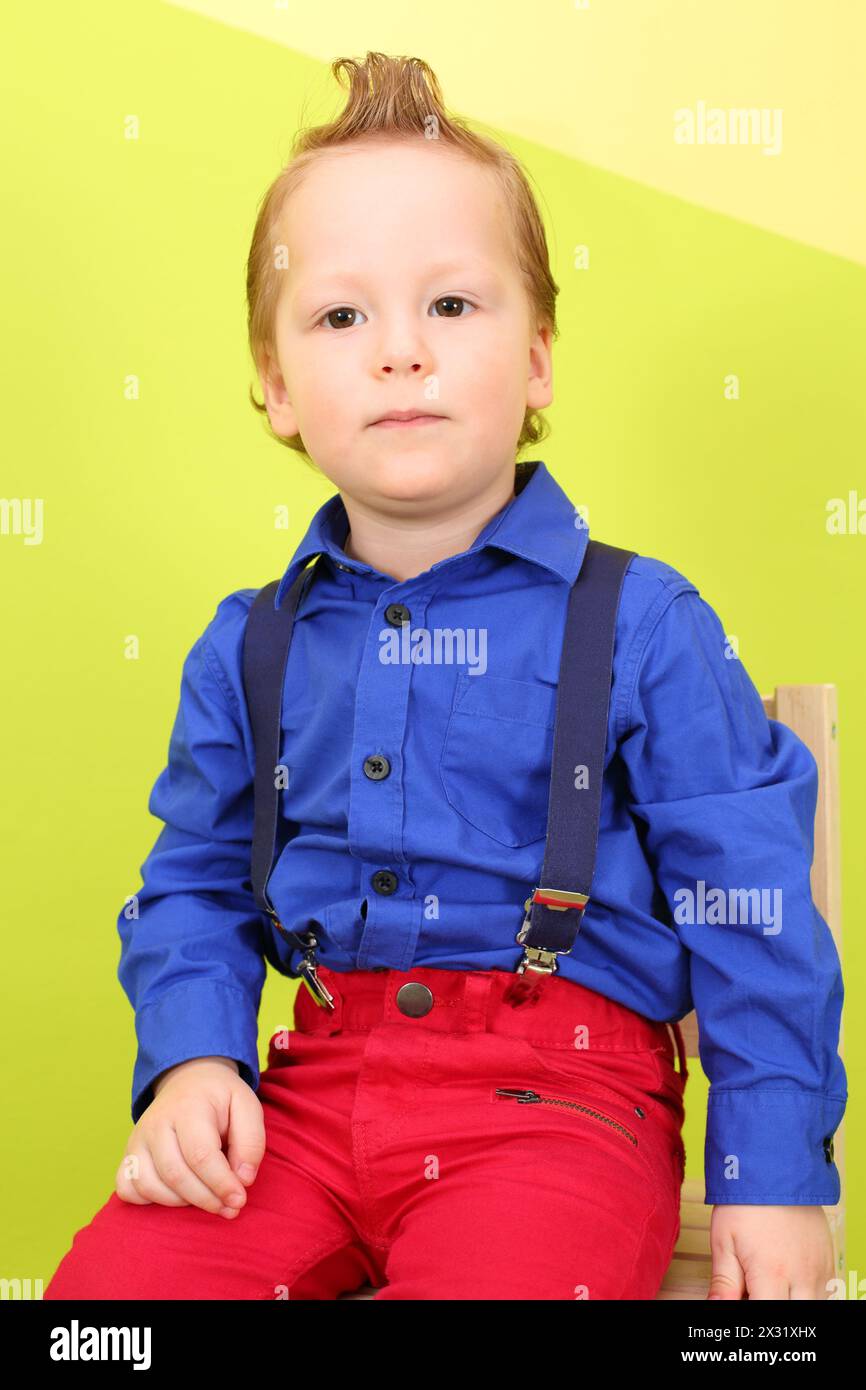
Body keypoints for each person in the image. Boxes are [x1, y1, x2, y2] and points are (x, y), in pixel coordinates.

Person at [45, 51, 845, 1301]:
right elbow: (192, 885)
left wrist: (771, 1171)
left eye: (453, 308)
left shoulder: (644, 623)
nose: (400, 353)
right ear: (275, 388)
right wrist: (193, 1061)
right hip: (305, 1100)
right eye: (341, 316)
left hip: (560, 1107)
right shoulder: (246, 645)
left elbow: (752, 914)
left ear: (536, 361)